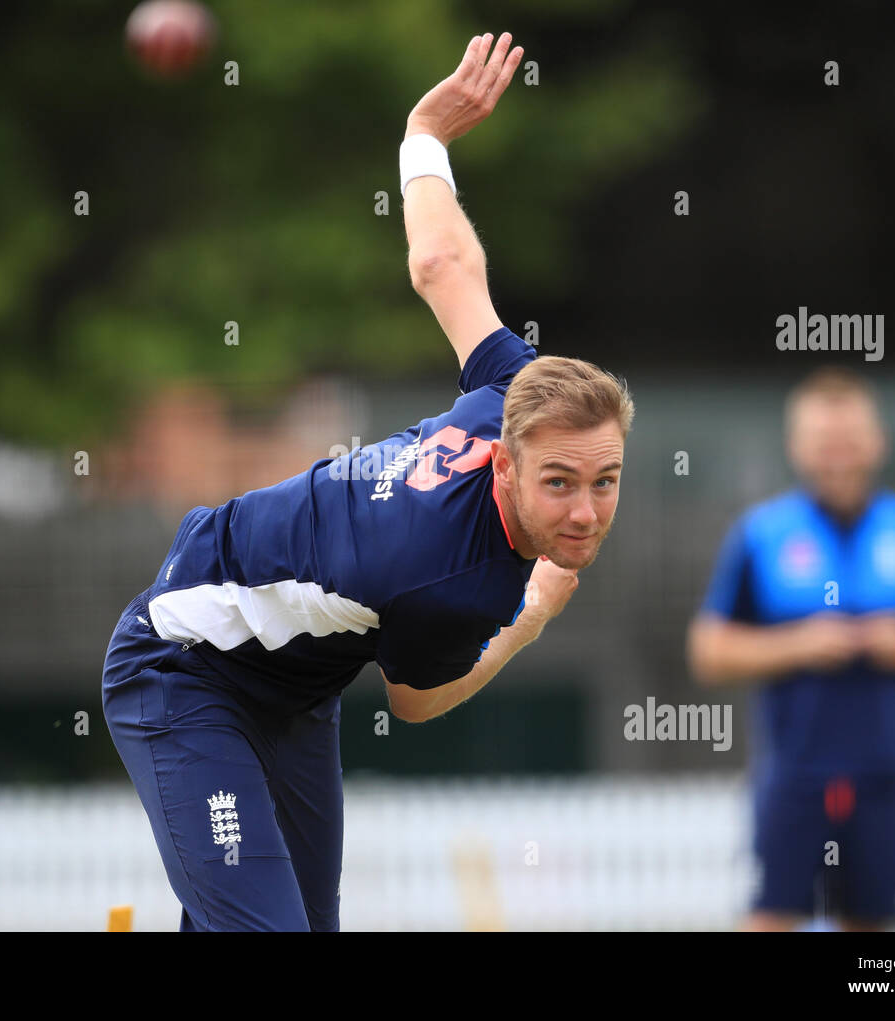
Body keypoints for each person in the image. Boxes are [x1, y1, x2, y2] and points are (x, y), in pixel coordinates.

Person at [102, 32, 635, 930]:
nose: (585, 510)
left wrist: (425, 134)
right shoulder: (454, 579)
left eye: (606, 480)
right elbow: (418, 700)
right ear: (504, 460)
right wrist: (533, 618)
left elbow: (440, 266)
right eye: (559, 482)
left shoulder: (513, 392)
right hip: (183, 665)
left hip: (294, 688)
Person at [687, 367, 895, 931]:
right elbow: (709, 650)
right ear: (797, 448)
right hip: (793, 773)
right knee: (772, 915)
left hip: (884, 772)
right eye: (824, 444)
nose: (838, 457)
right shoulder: (761, 535)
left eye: (849, 442)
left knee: (874, 925)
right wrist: (798, 645)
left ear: (877, 442)